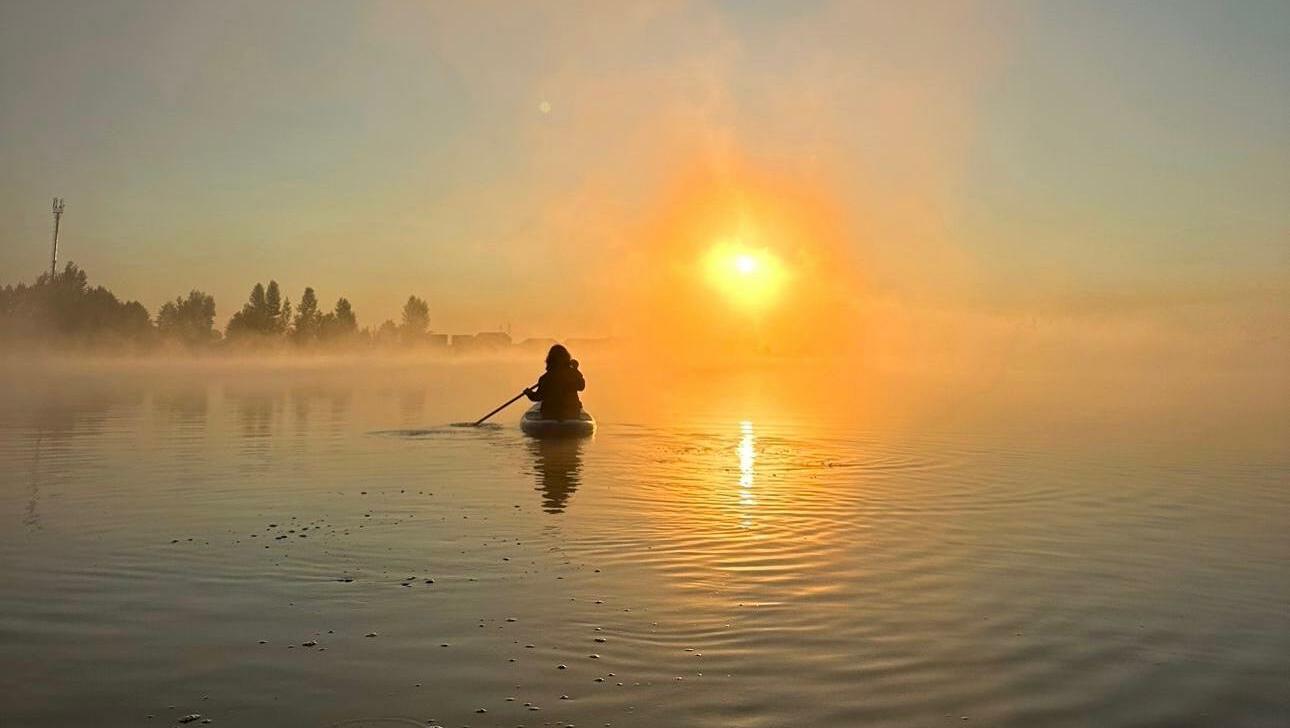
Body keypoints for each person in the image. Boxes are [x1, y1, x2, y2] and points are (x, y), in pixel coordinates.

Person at [524, 344, 585, 420]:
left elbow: (538, 397)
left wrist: (529, 393)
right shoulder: (573, 374)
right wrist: (575, 370)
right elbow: (581, 386)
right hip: (572, 413)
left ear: (550, 360)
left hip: (550, 414)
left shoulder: (546, 378)